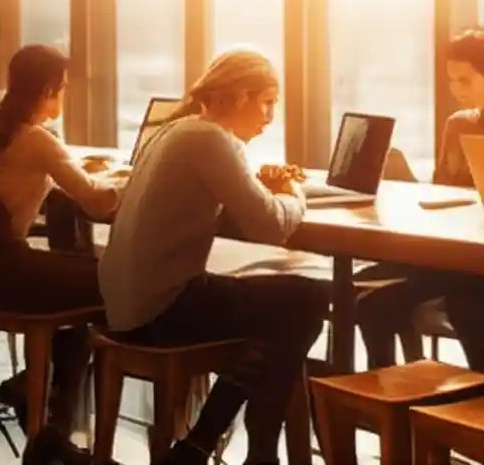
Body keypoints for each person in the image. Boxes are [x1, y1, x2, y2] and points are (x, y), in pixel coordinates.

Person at [98, 49, 328, 465]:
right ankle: (247, 450)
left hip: (124, 305)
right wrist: (295, 191)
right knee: (307, 299)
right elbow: (272, 227)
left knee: (278, 321)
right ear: (240, 96)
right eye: (267, 102)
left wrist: (258, 190)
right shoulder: (212, 140)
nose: (270, 116)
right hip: (161, 311)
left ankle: (208, 446)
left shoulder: (178, 130)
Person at [0, 44, 121, 465]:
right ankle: (53, 426)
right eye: (61, 88)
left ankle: (45, 409)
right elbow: (97, 204)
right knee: (109, 284)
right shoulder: (39, 139)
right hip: (1, 269)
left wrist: (80, 172)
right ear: (46, 89)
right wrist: (136, 181)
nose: (63, 95)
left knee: (80, 300)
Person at [355, 28, 484, 371]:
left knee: (461, 302)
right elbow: (441, 189)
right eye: (451, 81)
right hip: (449, 252)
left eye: (464, 81)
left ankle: (481, 387)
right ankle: (394, 398)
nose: (456, 90)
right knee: (371, 306)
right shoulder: (455, 125)